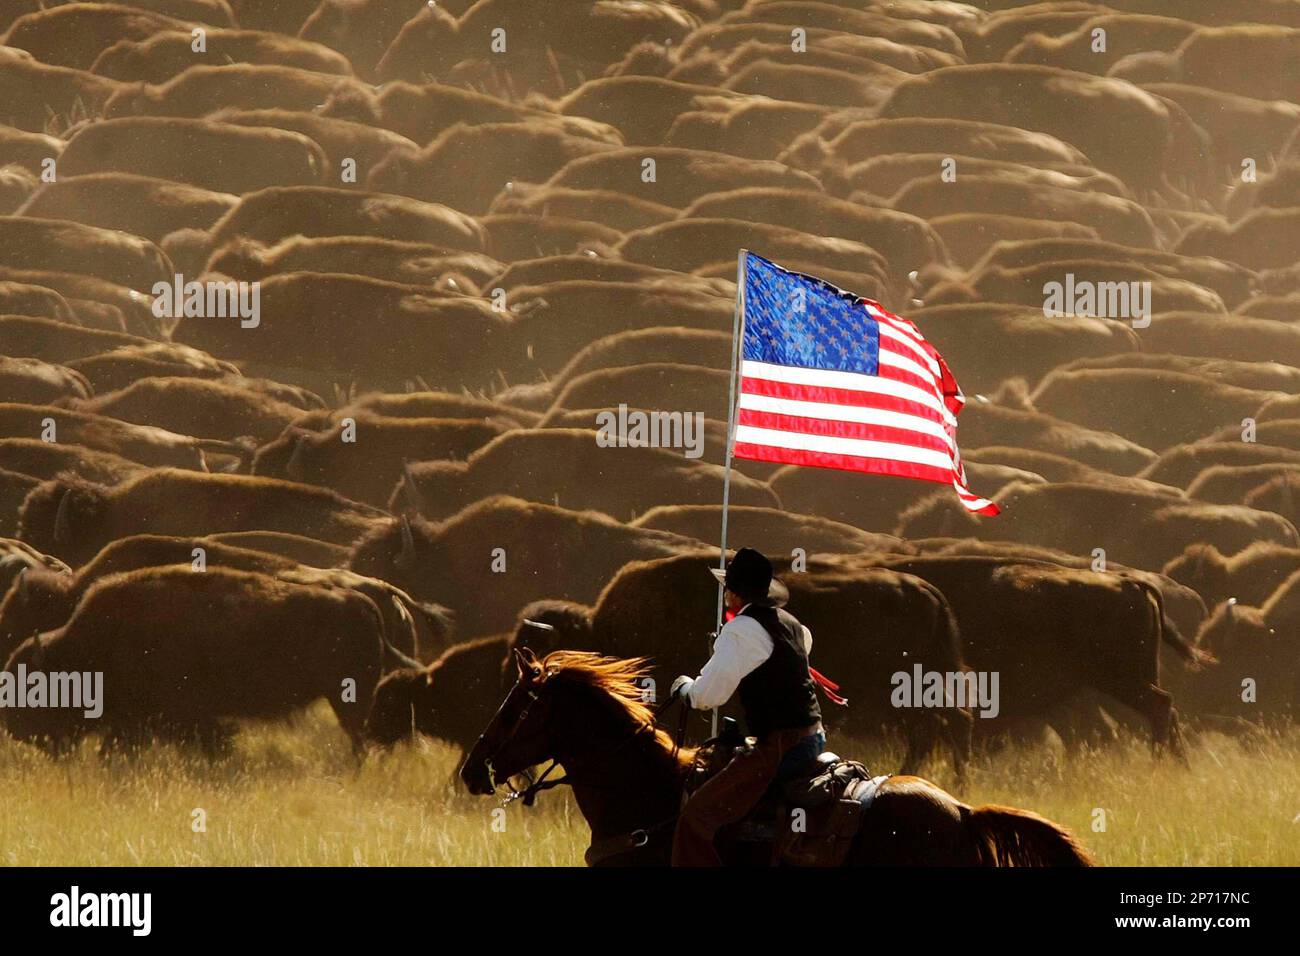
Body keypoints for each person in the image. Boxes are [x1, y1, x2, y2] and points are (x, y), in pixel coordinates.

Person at [669, 547, 825, 866]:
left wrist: (684, 688)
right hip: (814, 738)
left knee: (694, 817)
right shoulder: (793, 624)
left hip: (780, 749)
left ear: (733, 593)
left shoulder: (741, 630)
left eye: (728, 588)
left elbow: (706, 697)